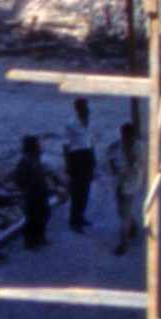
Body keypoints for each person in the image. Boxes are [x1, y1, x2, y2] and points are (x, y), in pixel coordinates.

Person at [111, 111, 144, 255]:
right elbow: (112, 158)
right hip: (120, 180)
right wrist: (113, 166)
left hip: (131, 183)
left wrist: (127, 152)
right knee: (120, 209)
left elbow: (135, 168)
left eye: (127, 137)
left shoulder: (139, 148)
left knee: (125, 211)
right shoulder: (118, 145)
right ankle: (133, 225)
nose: (124, 139)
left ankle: (123, 243)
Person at [63, 97, 97, 234]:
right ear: (77, 108)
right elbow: (65, 145)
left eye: (86, 106)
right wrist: (67, 165)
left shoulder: (89, 121)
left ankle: (81, 216)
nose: (86, 109)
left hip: (87, 155)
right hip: (76, 157)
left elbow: (90, 140)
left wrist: (93, 157)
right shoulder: (70, 124)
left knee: (86, 189)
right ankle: (74, 220)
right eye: (83, 107)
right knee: (77, 191)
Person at [14, 132, 52, 248]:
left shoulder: (35, 158)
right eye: (36, 143)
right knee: (33, 217)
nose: (38, 145)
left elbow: (41, 173)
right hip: (33, 192)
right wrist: (26, 191)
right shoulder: (25, 160)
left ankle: (39, 237)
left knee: (43, 214)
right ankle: (30, 242)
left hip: (40, 190)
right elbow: (19, 178)